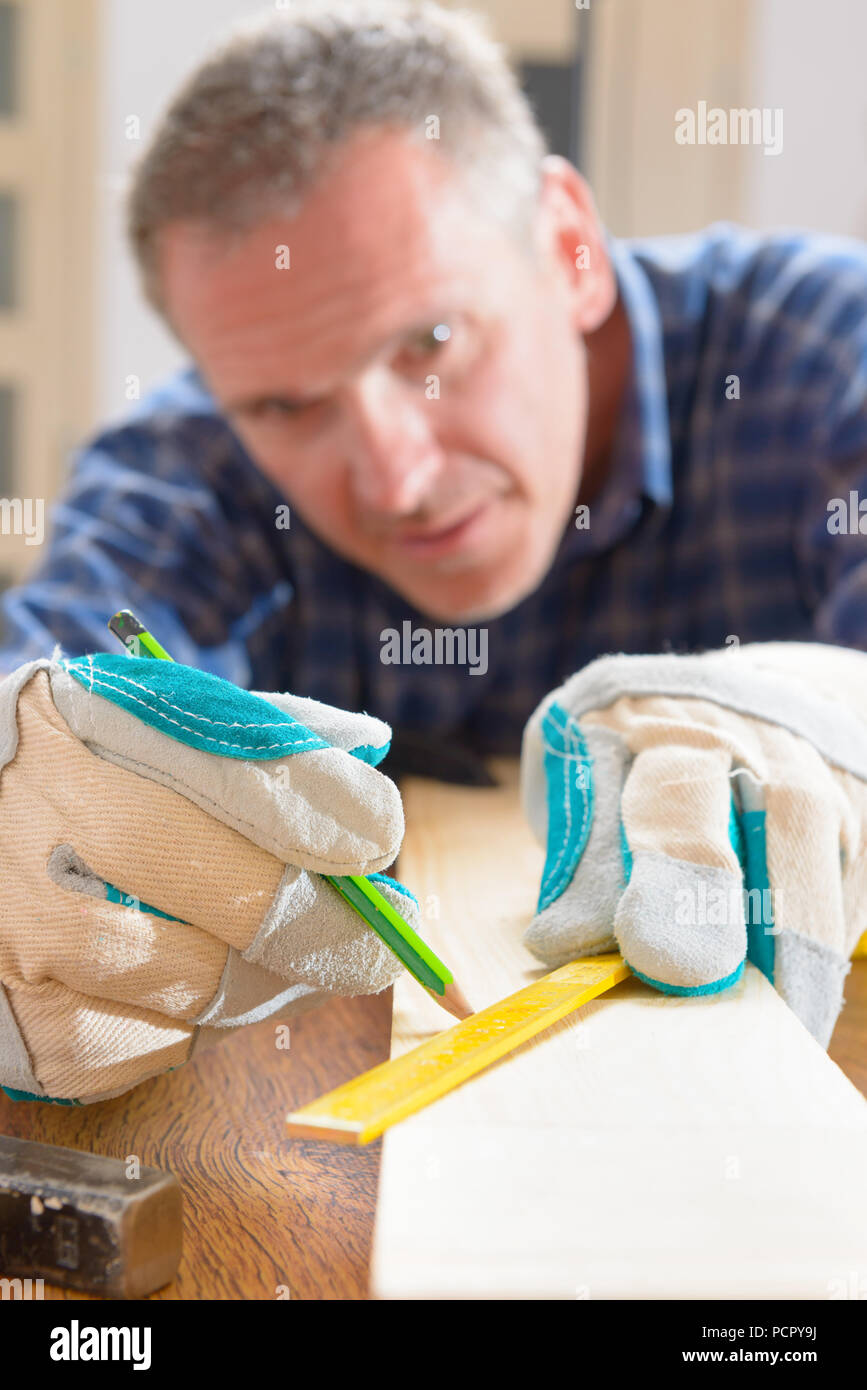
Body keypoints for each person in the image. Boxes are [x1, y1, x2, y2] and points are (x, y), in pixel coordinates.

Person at [1, 1, 865, 1104]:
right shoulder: (188, 471)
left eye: (431, 343)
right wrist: (32, 802)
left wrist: (827, 704)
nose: (396, 477)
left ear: (567, 247)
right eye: (283, 405)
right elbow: (46, 699)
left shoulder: (830, 351)